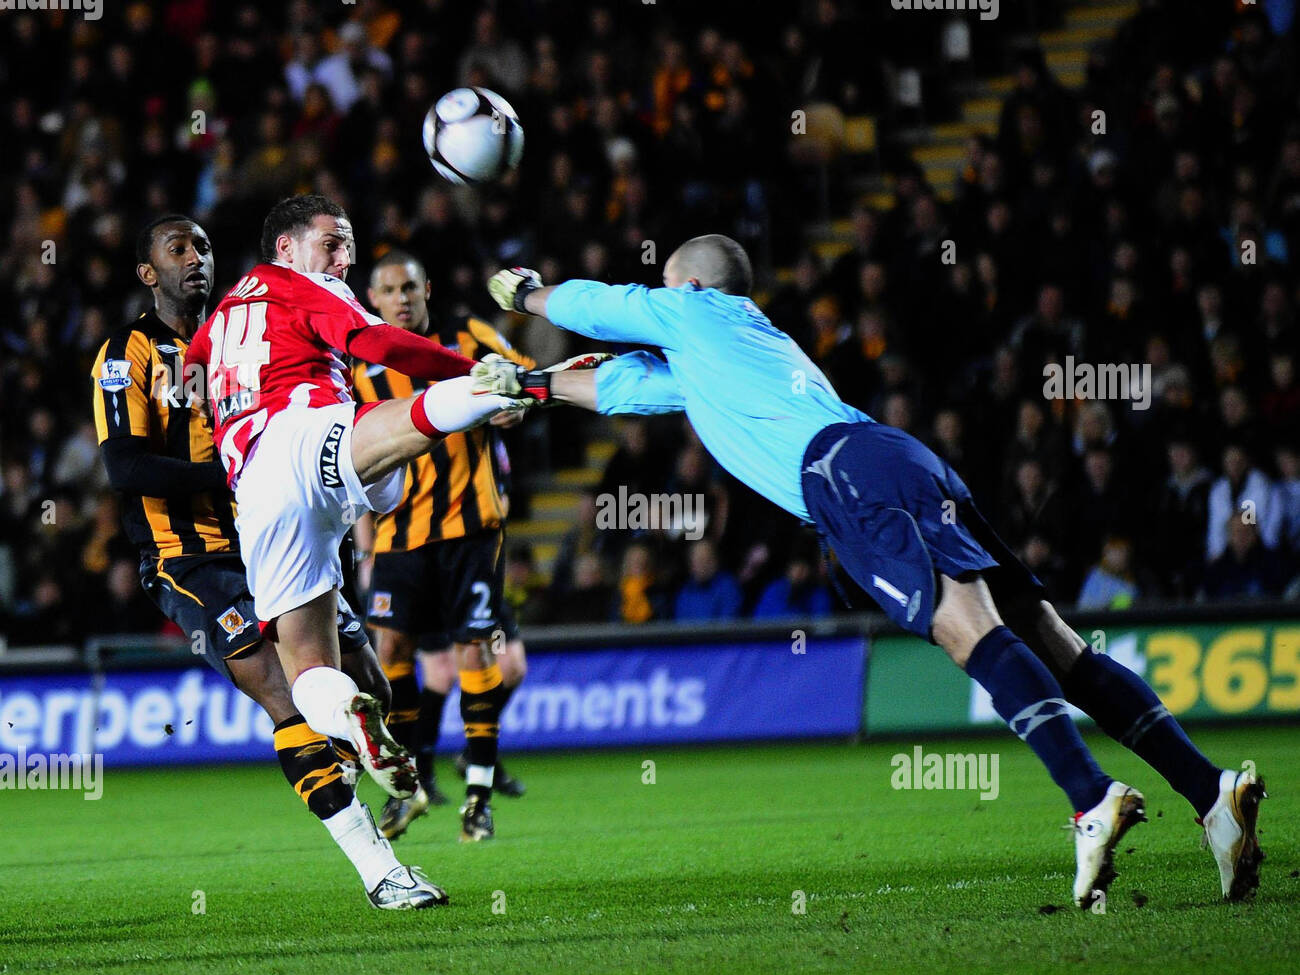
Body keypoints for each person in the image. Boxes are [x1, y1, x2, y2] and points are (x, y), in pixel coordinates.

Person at [482, 234, 1267, 907]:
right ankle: (1210, 791)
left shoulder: (692, 310)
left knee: (969, 631)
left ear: (686, 284)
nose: (656, 298)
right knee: (1053, 641)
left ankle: (1090, 796)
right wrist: (533, 385)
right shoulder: (725, 353)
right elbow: (624, 388)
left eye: (663, 288)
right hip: (898, 460)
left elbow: (598, 304)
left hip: (841, 476)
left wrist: (526, 293)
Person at [186, 194, 556, 907]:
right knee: (415, 420)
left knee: (307, 671)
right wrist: (465, 368)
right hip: (304, 436)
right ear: (286, 248)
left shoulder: (215, 327)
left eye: (348, 245)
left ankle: (349, 716)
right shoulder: (303, 287)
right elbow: (381, 345)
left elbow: (196, 399)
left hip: (258, 496)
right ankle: (516, 384)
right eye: (332, 243)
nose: (343, 259)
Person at [93, 214, 417, 909]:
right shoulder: (129, 353)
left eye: (204, 247)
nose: (196, 259)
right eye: (177, 249)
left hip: (275, 535)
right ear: (148, 273)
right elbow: (124, 465)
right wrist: (238, 474)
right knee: (283, 691)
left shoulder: (246, 335)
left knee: (370, 689)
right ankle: (381, 873)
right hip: (191, 559)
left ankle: (345, 755)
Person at [352, 250, 528, 843]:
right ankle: (410, 787)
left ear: (426, 287)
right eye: (388, 290)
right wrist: (363, 547)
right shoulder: (358, 368)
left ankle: (477, 797)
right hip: (399, 536)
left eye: (409, 286)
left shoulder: (467, 337)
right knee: (391, 653)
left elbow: (522, 381)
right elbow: (351, 462)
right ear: (372, 300)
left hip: (471, 531)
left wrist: (512, 402)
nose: (401, 298)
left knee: (475, 653)